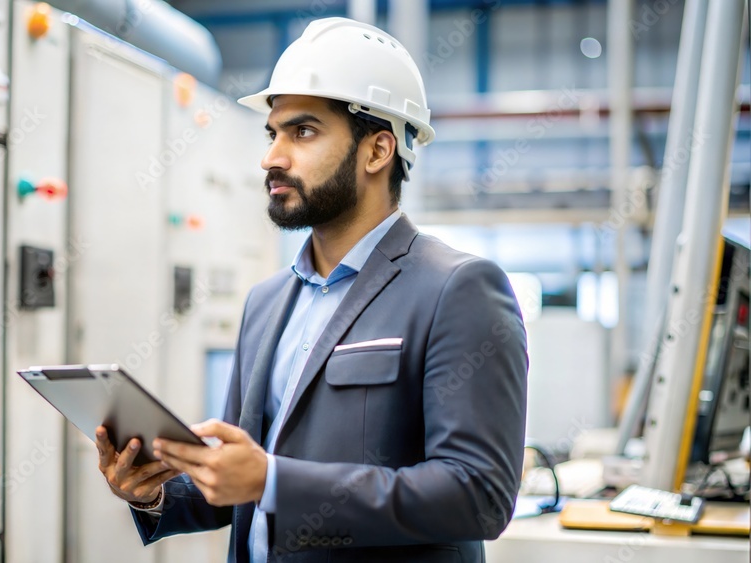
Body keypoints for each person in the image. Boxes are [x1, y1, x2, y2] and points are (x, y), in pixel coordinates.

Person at [95, 17, 528, 563]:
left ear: (377, 151)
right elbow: (243, 486)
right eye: (272, 133)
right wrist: (155, 492)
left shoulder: (458, 289)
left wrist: (273, 480)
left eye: (302, 132)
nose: (272, 157)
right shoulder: (267, 302)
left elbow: (478, 496)